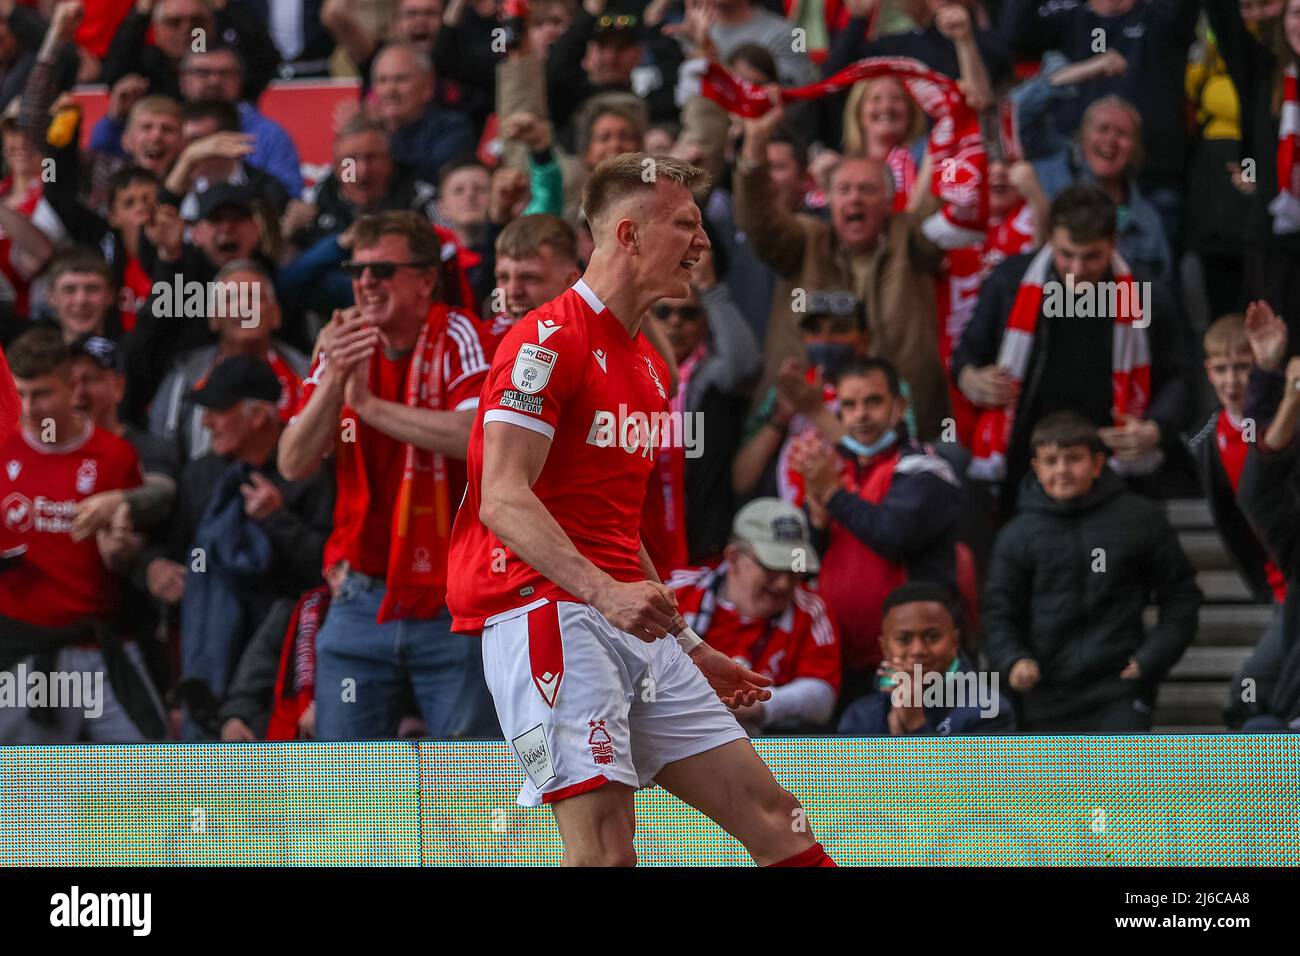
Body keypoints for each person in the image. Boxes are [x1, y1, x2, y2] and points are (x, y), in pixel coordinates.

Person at [446, 152, 835, 867]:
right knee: (604, 852)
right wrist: (603, 592)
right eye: (685, 224)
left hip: (624, 612)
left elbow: (615, 525)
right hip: (544, 609)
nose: (702, 242)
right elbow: (503, 497)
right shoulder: (542, 339)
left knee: (778, 816)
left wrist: (687, 645)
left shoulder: (651, 363)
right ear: (627, 235)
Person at [278, 210, 499, 741]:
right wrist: (336, 383)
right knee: (349, 799)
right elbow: (293, 461)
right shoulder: (344, 342)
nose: (366, 284)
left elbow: (479, 440)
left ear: (426, 280)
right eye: (358, 272)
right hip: (361, 598)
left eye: (382, 271)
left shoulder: (459, 335)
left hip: (453, 602)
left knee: (466, 793)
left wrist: (369, 406)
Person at [953, 183, 1194, 512]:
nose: (1077, 271)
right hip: (1028, 461)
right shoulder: (1010, 281)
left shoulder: (1149, 293)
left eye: (1092, 256)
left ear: (1114, 244)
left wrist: (1155, 428)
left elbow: (1182, 376)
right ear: (1050, 239)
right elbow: (966, 353)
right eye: (1067, 255)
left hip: (1118, 466)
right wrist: (971, 378)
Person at [138, 354, 333, 737]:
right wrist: (152, 567)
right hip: (210, 661)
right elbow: (166, 548)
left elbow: (329, 570)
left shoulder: (311, 473)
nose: (206, 422)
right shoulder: (201, 475)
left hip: (283, 669)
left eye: (218, 410)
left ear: (259, 415)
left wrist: (278, 520)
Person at [983, 411, 1201, 733]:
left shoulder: (1140, 519)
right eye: (1051, 460)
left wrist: (1150, 658)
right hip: (1042, 695)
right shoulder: (1016, 535)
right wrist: (1013, 660)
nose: (1062, 470)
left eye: (1073, 459)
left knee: (1120, 783)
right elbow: (998, 612)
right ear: (1036, 468)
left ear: (1098, 463)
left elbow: (1182, 595)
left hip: (1119, 691)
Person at [0, 327, 165, 743]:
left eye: (42, 394)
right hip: (22, 653)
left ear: (73, 387)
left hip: (101, 649)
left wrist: (122, 551)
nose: (30, 407)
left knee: (156, 779)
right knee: (24, 795)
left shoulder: (115, 456)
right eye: (21, 393)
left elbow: (125, 556)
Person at [791, 356, 961, 700]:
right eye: (849, 405)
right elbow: (804, 563)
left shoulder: (927, 467)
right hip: (838, 657)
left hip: (910, 660)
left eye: (873, 401)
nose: (861, 414)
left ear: (899, 407)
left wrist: (834, 493)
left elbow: (892, 534)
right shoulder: (835, 467)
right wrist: (817, 520)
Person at [668, 499, 841, 735]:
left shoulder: (811, 609)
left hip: (766, 743)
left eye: (794, 571)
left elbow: (822, 696)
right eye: (772, 568)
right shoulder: (675, 592)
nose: (783, 583)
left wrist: (760, 706)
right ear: (734, 558)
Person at [650, 247, 761, 564]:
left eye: (688, 314)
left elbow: (745, 365)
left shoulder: (713, 374)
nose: (675, 322)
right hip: (643, 545)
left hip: (704, 547)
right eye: (663, 313)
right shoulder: (631, 372)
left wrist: (710, 289)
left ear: (704, 322)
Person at [149, 261, 310, 463]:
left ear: (275, 315)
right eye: (231, 299)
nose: (244, 307)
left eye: (254, 297)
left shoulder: (309, 375)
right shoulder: (183, 380)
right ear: (213, 318)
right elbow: (161, 459)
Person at [838, 581, 1016, 736]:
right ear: (885, 648)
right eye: (904, 639)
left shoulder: (988, 711)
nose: (918, 650)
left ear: (954, 642)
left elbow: (972, 776)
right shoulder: (860, 716)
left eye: (932, 637)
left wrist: (916, 725)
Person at [369, 42, 476, 185]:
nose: (390, 90)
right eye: (382, 81)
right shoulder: (367, 133)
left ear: (428, 86)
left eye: (400, 79)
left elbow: (428, 179)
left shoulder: (453, 129)